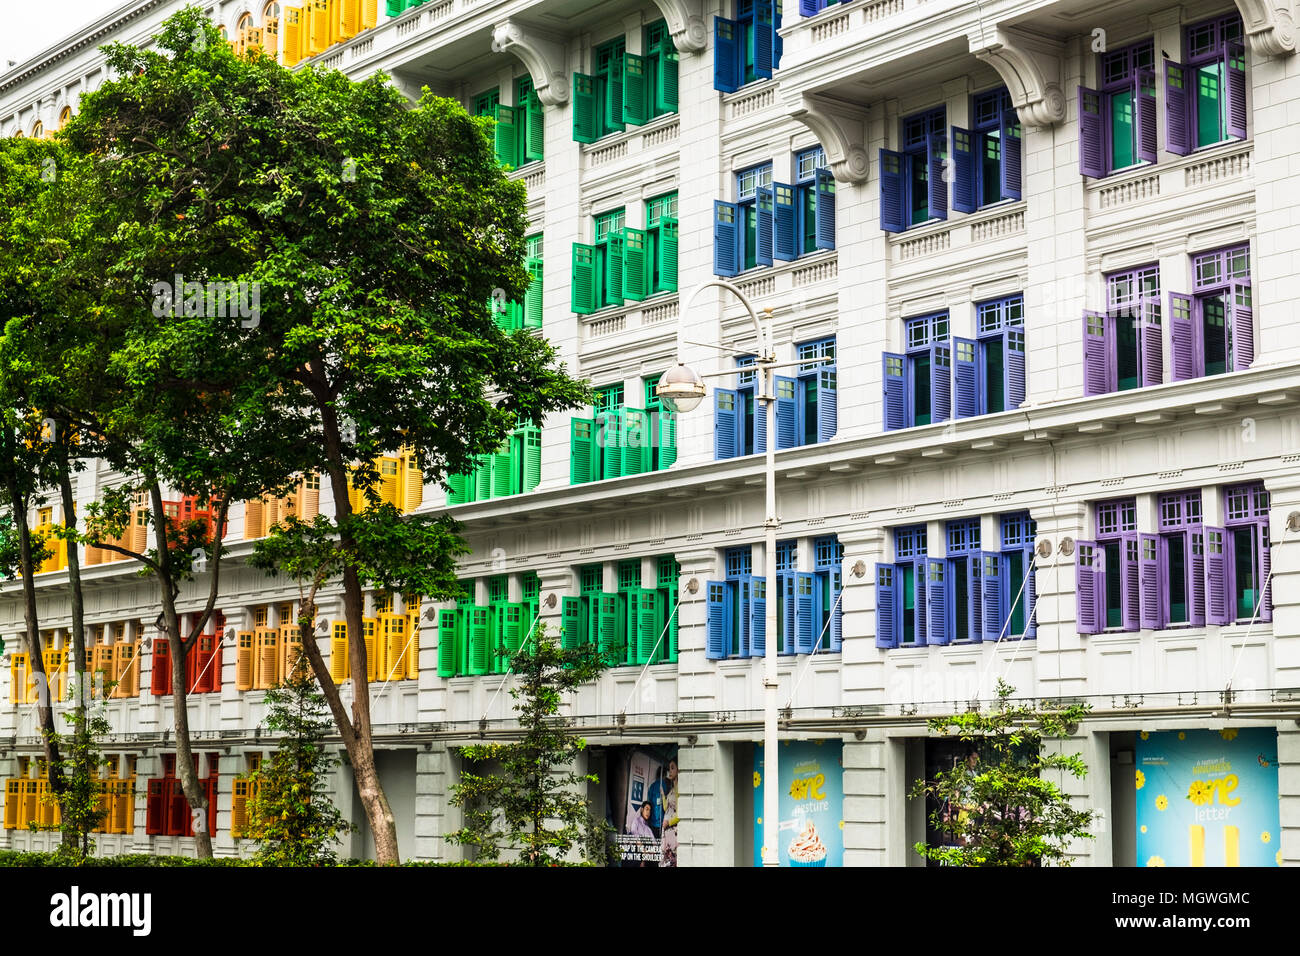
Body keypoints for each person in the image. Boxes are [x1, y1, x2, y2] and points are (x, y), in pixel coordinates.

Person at [645, 758, 677, 837]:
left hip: (653, 820)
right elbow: (666, 805)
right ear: (663, 774)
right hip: (663, 821)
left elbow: (649, 801)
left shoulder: (652, 786)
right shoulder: (664, 785)